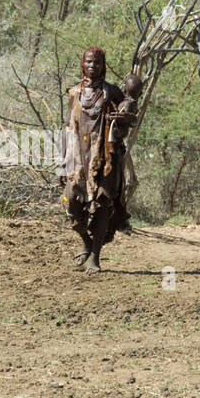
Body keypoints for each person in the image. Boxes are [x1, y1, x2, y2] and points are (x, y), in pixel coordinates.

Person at [58, 47, 135, 274]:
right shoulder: (74, 92)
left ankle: (95, 256)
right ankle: (86, 242)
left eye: (97, 63)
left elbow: (128, 120)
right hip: (78, 158)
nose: (93, 66)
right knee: (71, 200)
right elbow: (69, 126)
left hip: (105, 157)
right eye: (89, 62)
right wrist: (62, 159)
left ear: (103, 65)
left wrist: (122, 119)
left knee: (101, 205)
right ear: (83, 64)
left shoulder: (112, 92)